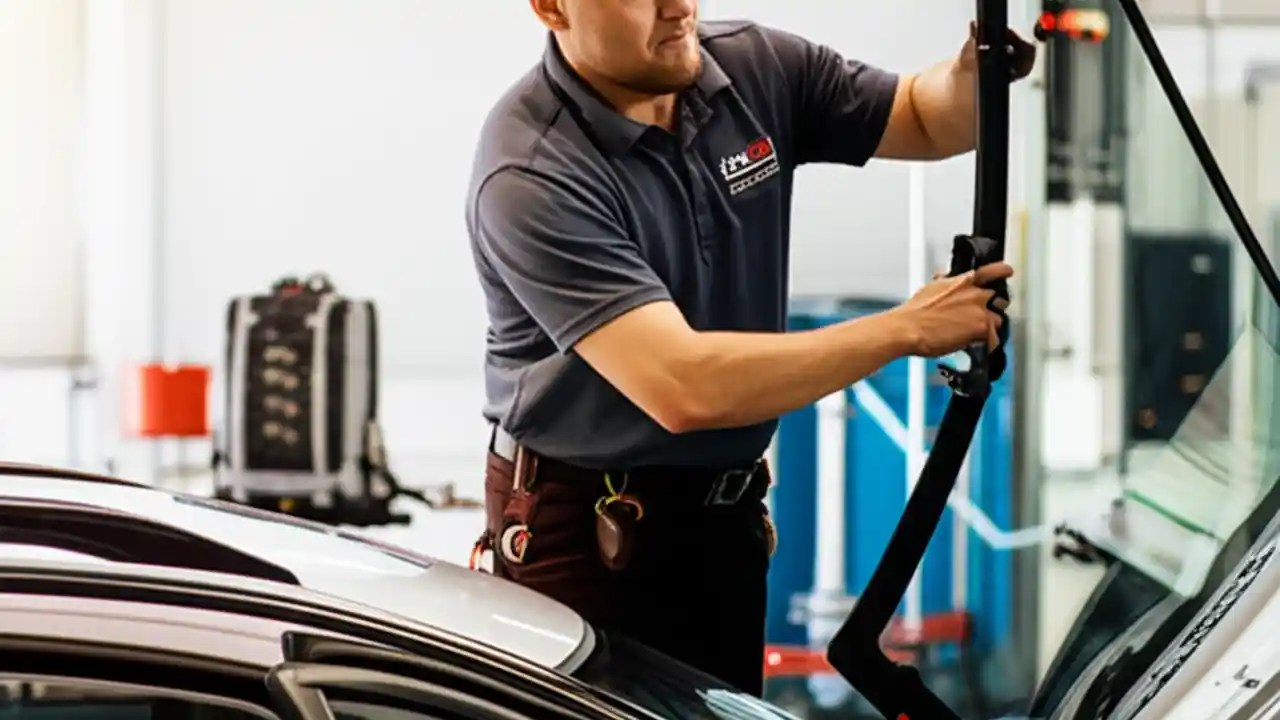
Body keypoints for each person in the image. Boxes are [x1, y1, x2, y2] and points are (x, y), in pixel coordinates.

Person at [464, 0, 1036, 697]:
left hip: (722, 517)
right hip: (587, 532)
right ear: (553, 7)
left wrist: (973, 78)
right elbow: (684, 387)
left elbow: (921, 114)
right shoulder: (531, 169)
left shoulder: (753, 66)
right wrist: (906, 328)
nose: (679, 7)